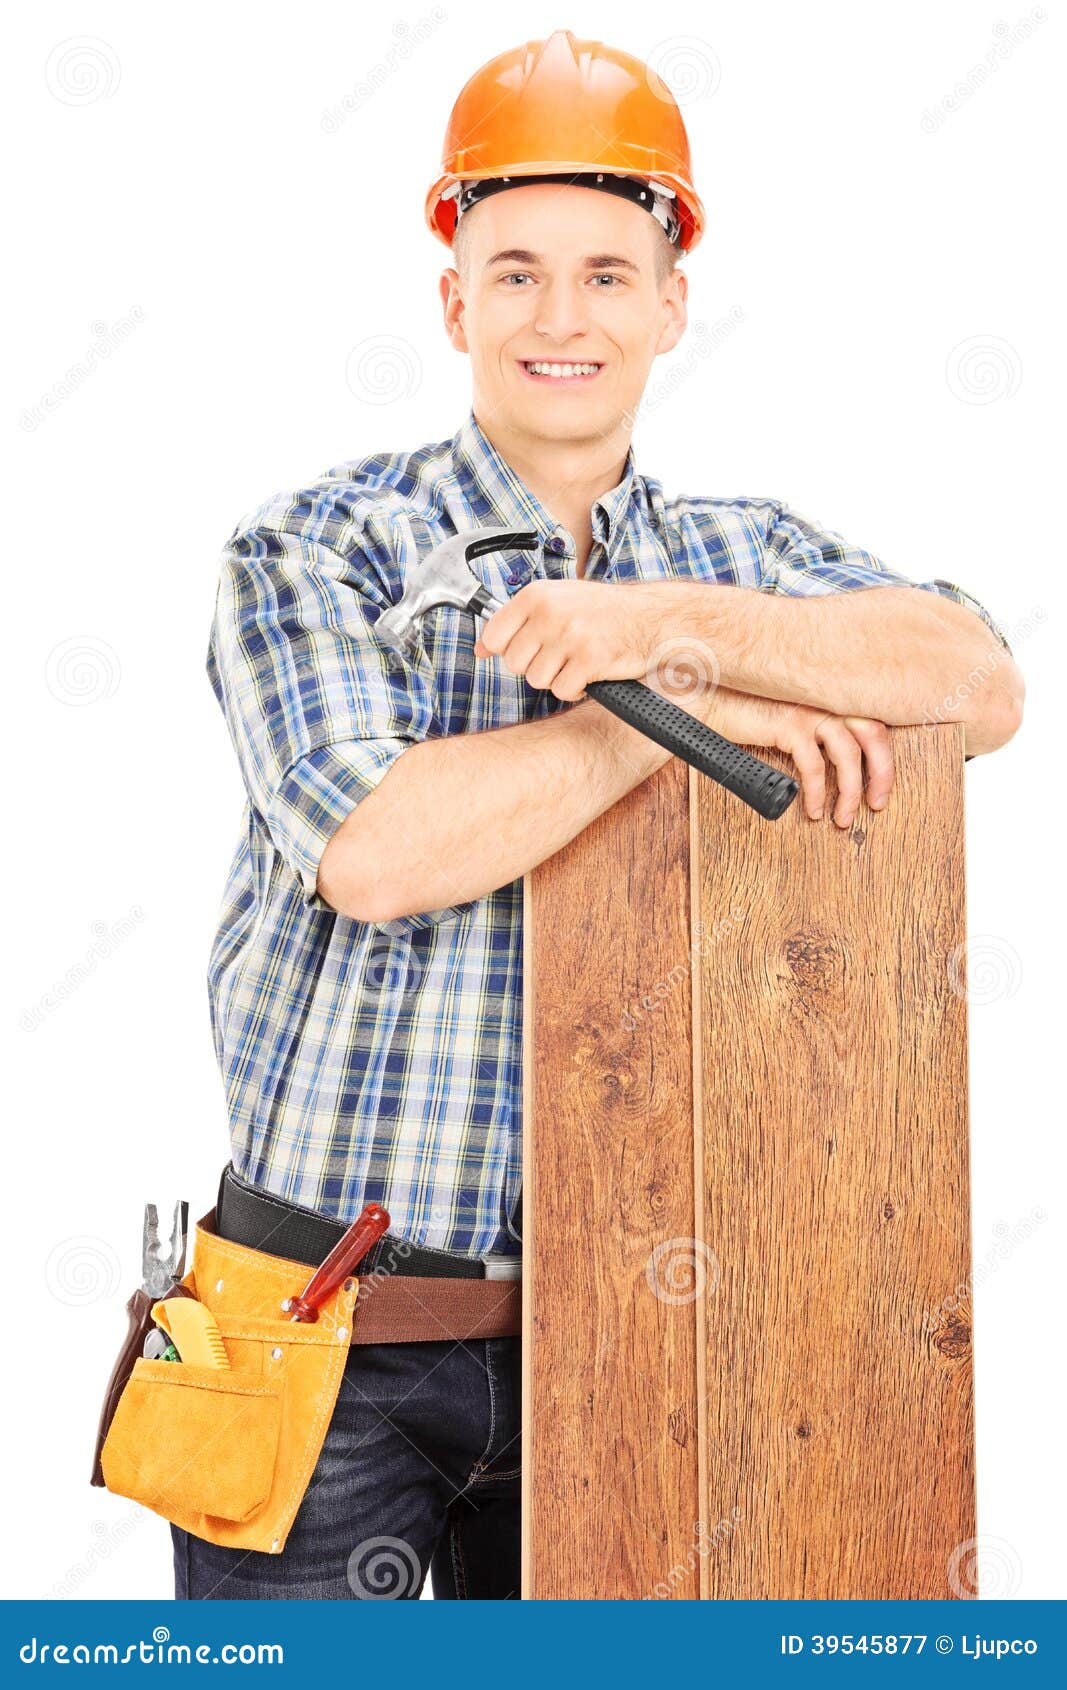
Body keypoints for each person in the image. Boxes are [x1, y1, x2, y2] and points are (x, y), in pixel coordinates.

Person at [176, 30, 1024, 1601]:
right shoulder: (313, 547)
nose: (561, 318)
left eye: (606, 275)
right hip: (314, 1330)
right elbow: (377, 850)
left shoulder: (729, 553)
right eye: (513, 273)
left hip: (631, 1349)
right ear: (452, 300)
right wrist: (672, 726)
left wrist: (660, 628)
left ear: (672, 302)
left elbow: (973, 680)